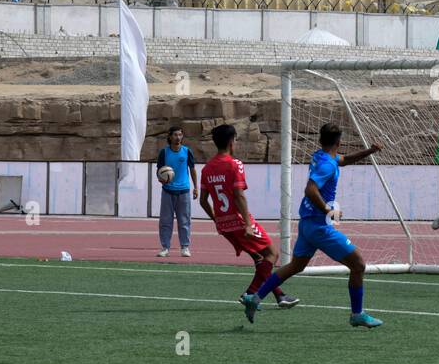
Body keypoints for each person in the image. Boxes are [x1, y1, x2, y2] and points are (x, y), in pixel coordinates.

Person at [246, 123, 384, 328]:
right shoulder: (327, 164)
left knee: (296, 266)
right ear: (339, 142)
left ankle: (255, 298)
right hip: (320, 227)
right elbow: (310, 190)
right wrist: (328, 211)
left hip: (307, 224)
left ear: (321, 141)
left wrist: (370, 151)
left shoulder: (322, 156)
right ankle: (357, 314)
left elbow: (344, 160)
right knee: (358, 265)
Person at [198, 124, 297, 322]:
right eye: (236, 139)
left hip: (224, 225)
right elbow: (238, 195)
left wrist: (216, 219)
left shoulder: (207, 168)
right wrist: (248, 225)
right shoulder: (235, 164)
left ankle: (280, 296)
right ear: (231, 141)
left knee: (260, 260)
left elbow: (202, 201)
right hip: (240, 221)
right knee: (272, 254)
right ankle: (250, 294)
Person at [156, 127, 197, 258]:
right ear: (170, 137)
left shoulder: (187, 151)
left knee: (184, 220)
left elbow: (192, 169)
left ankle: (185, 247)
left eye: (180, 135)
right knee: (165, 221)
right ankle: (165, 247)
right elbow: (159, 171)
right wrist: (161, 179)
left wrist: (196, 187)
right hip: (168, 191)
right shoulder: (164, 152)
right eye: (175, 135)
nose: (178, 137)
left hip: (183, 191)